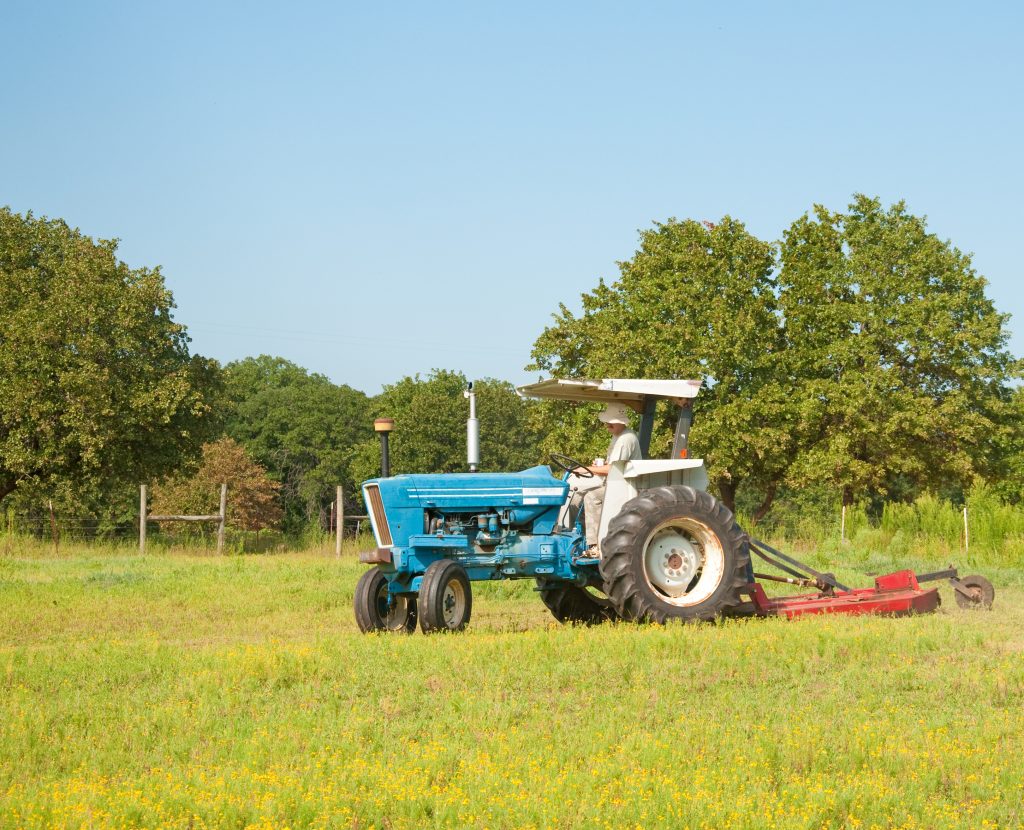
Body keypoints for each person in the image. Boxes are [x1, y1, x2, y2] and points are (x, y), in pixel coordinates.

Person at [567, 402, 642, 555]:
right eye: (607, 421)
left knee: (592, 497)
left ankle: (594, 546)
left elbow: (612, 470)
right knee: (576, 494)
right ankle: (575, 536)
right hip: (615, 482)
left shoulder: (625, 439)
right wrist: (596, 466)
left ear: (621, 422)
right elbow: (613, 464)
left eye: (611, 421)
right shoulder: (618, 436)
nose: (607, 424)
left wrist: (586, 469)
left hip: (624, 485)